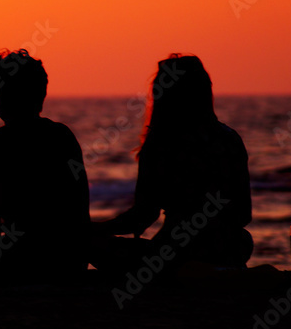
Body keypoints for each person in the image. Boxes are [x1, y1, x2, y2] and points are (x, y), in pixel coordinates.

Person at [91, 54, 253, 274]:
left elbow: (143, 215)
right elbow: (244, 214)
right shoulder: (230, 139)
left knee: (90, 246)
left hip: (173, 253)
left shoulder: (161, 144)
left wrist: (96, 230)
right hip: (229, 248)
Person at [0, 49, 91, 283]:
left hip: (23, 260)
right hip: (70, 259)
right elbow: (79, 207)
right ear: (41, 95)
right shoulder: (62, 137)